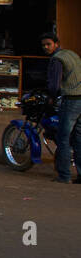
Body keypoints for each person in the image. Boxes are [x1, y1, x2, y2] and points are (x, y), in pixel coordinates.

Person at [41, 32, 81, 184]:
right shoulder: (72, 54)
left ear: (56, 44)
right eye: (43, 45)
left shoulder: (57, 59)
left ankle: (64, 175)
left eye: (48, 44)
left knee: (63, 138)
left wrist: (51, 97)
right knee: (78, 138)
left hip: (71, 100)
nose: (46, 47)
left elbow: (54, 85)